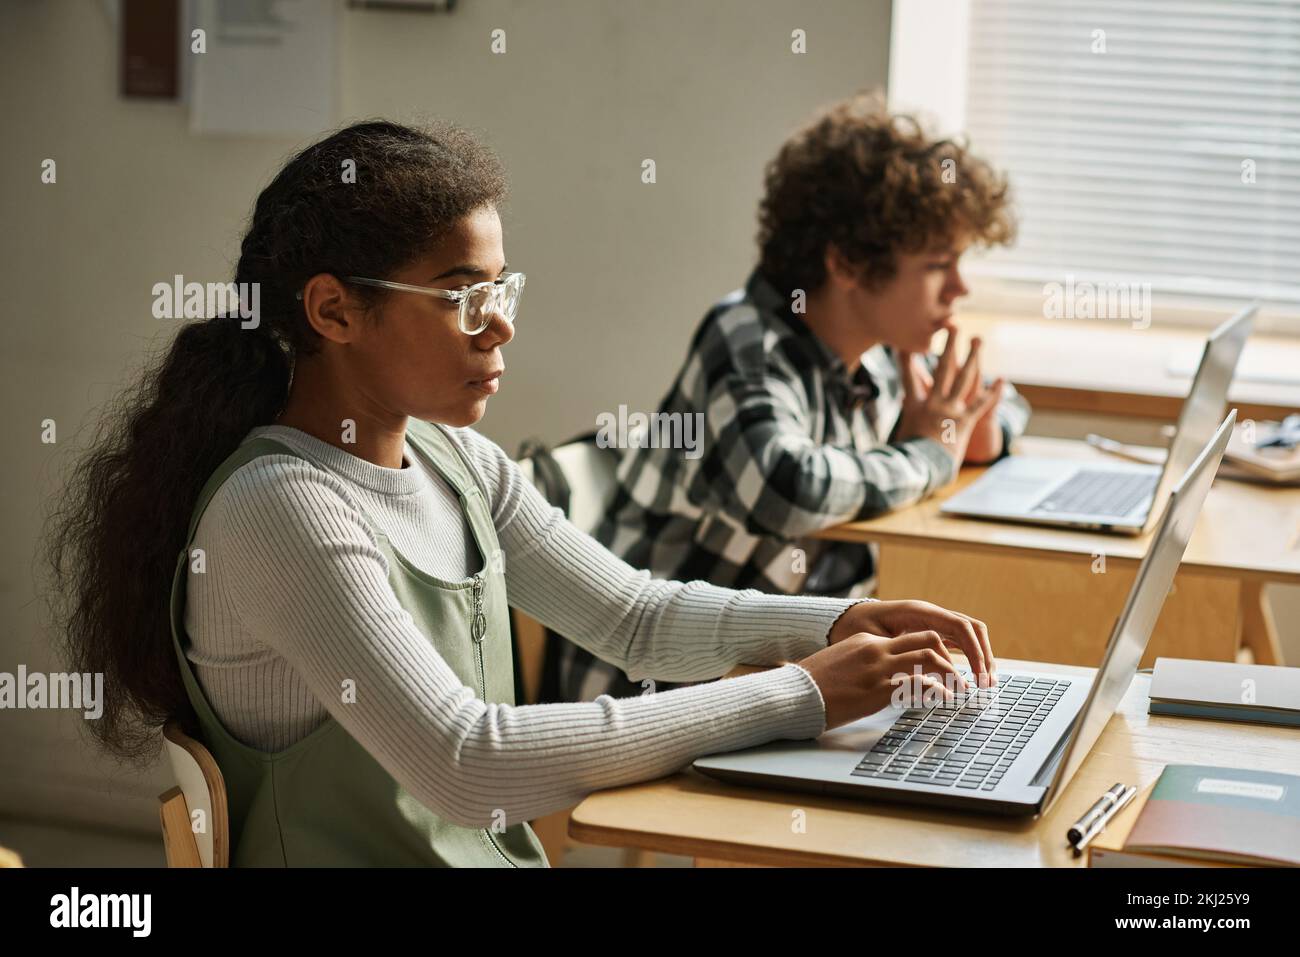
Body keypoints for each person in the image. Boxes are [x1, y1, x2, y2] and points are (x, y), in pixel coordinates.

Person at [42, 119, 995, 868]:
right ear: (334, 310)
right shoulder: (284, 509)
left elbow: (636, 616)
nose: (497, 327)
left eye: (503, 288)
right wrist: (794, 696)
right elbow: (469, 761)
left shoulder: (457, 460)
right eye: (461, 296)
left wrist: (835, 621)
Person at [558, 91, 1027, 702]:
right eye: (939, 265)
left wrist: (982, 434)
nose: (960, 287)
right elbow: (786, 487)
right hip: (666, 685)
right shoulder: (746, 339)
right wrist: (931, 456)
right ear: (849, 265)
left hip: (786, 673)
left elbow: (1004, 403)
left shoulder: (882, 348)